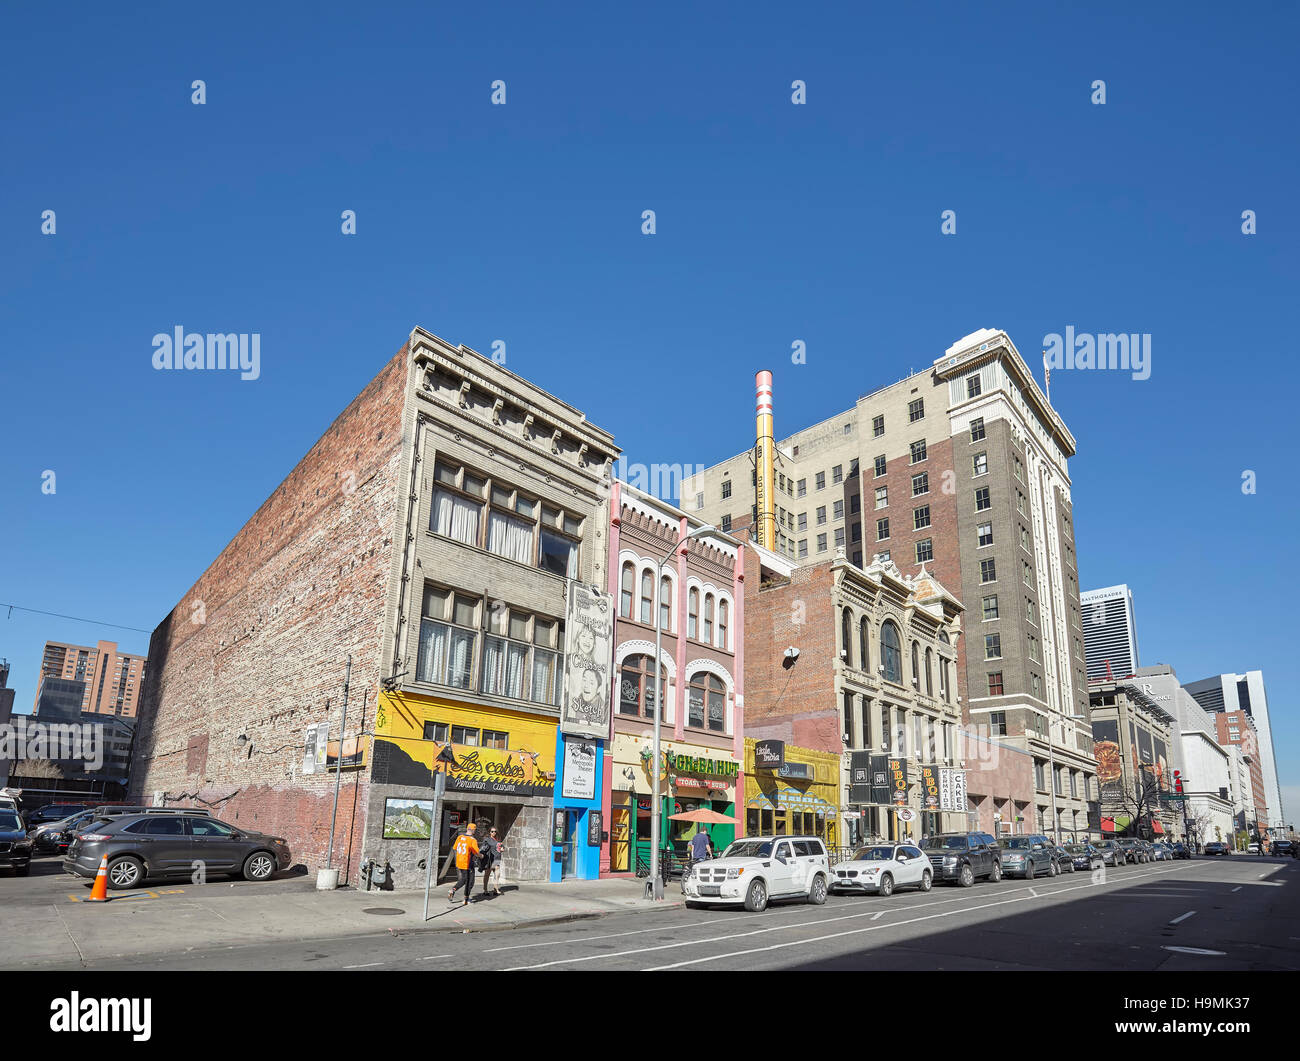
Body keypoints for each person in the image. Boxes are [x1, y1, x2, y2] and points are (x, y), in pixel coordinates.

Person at [448, 822, 480, 905]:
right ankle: (466, 899)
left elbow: (455, 848)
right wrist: (482, 856)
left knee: (464, 879)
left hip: (459, 862)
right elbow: (477, 853)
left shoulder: (460, 837)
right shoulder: (472, 840)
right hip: (467, 863)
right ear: (473, 830)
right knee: (470, 881)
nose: (475, 831)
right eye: (475, 830)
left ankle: (453, 890)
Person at [481, 826, 504, 896]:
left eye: (495, 831)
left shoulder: (498, 839)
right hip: (489, 859)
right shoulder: (487, 839)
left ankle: (495, 889)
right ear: (489, 832)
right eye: (492, 831)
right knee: (487, 874)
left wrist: (502, 849)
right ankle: (485, 889)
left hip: (497, 859)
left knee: (497, 874)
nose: (494, 833)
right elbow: (483, 848)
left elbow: (502, 847)